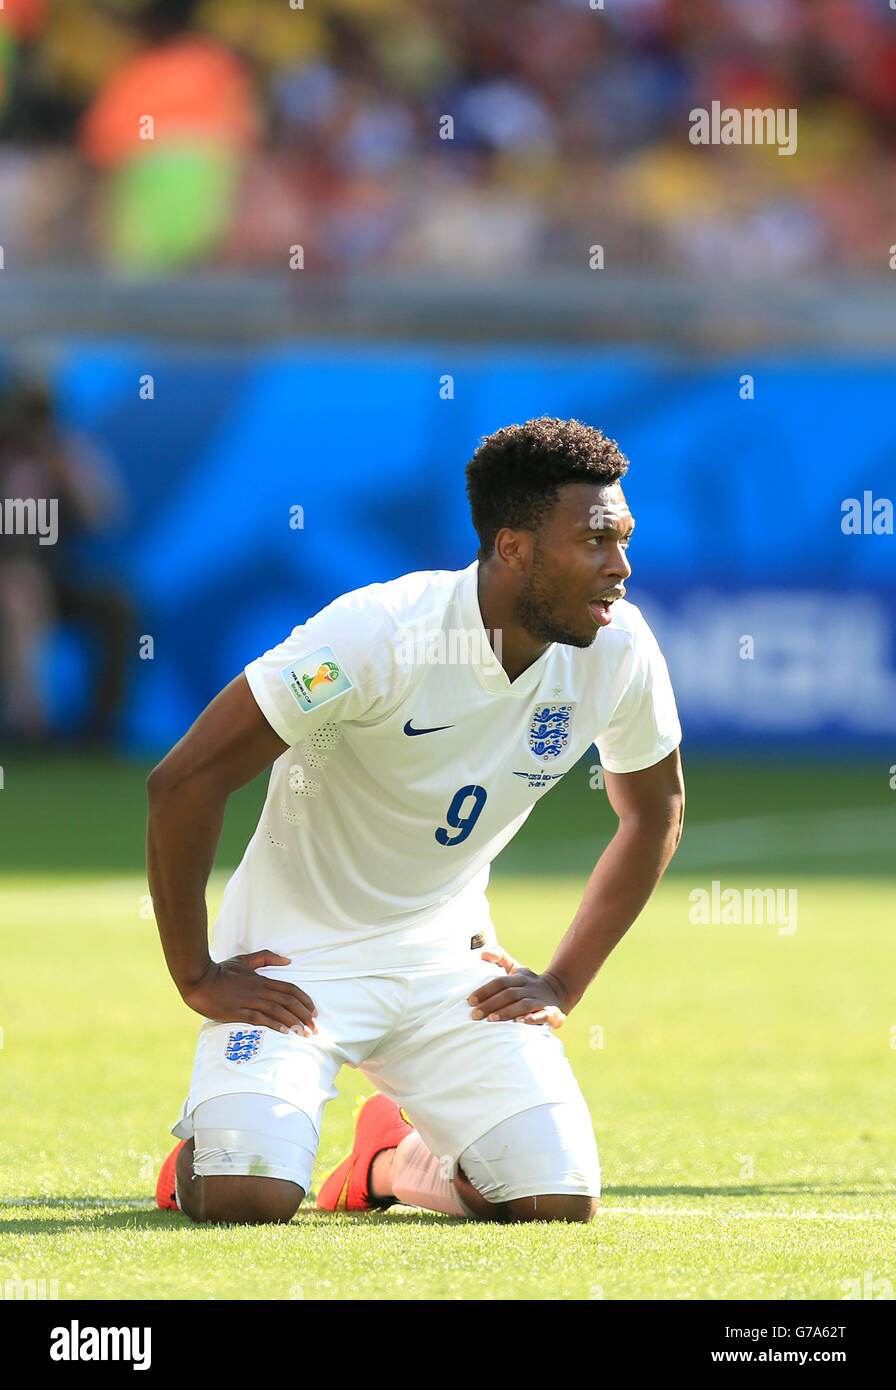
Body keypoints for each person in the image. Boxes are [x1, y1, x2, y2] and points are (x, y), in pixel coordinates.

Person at [149, 417, 684, 1225]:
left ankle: (388, 1160)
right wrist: (197, 973)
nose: (621, 568)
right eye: (596, 541)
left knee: (554, 1199)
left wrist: (563, 980)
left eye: (624, 539)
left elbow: (654, 811)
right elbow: (184, 781)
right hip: (297, 964)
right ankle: (207, 1151)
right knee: (245, 1194)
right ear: (513, 548)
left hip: (450, 969)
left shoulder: (621, 648)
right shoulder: (381, 632)